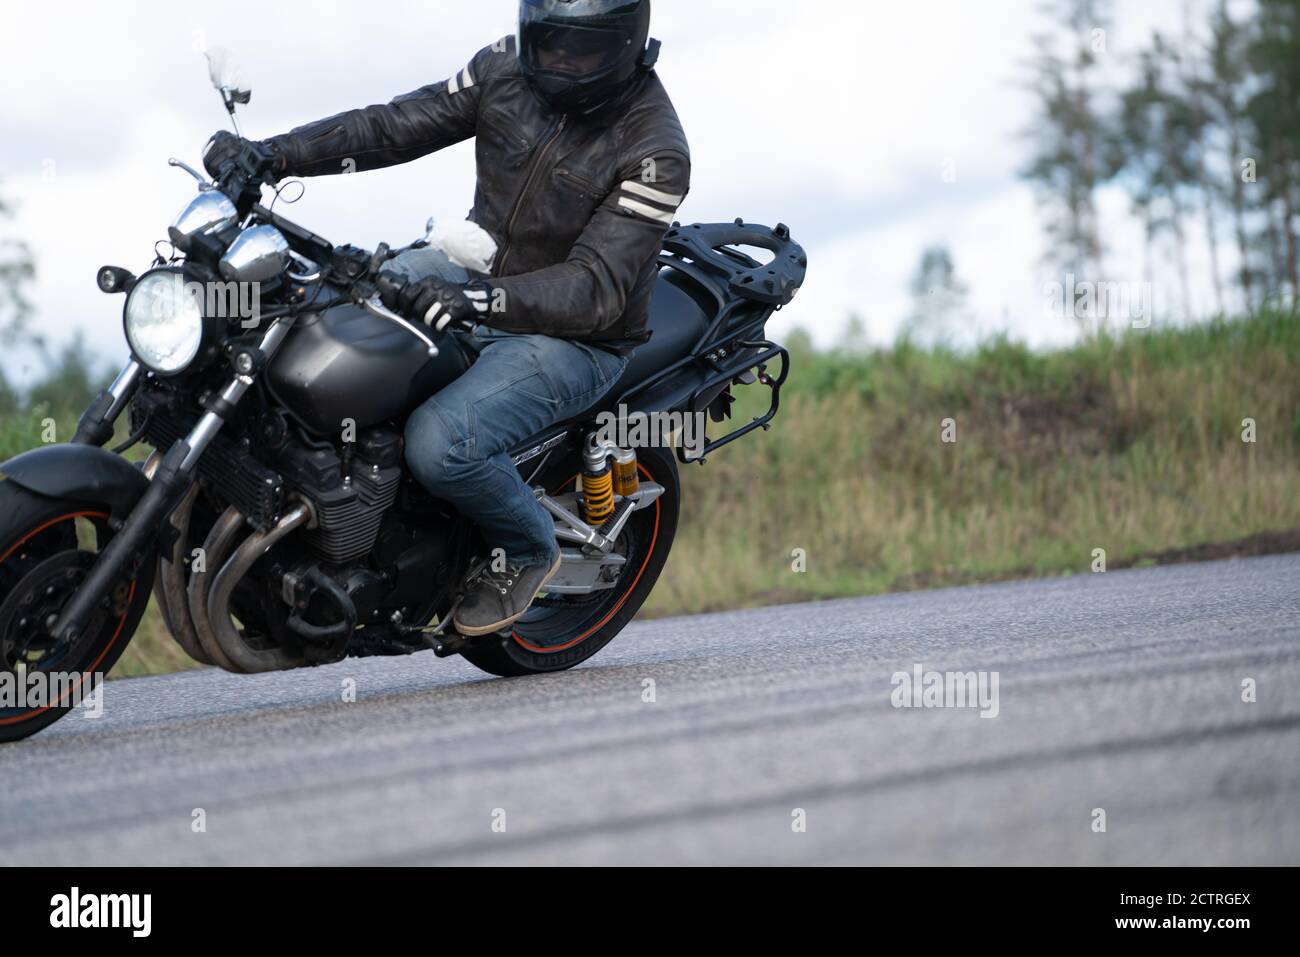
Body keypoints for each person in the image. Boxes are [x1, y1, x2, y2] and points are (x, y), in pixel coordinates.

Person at [202, 0, 689, 636]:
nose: (560, 60)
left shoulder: (654, 149)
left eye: (583, 49)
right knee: (318, 313)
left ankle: (527, 548)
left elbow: (594, 288)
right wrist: (274, 155)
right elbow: (396, 125)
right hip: (475, 270)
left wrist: (483, 302)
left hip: (575, 335)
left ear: (627, 46)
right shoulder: (505, 68)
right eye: (547, 41)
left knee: (439, 444)